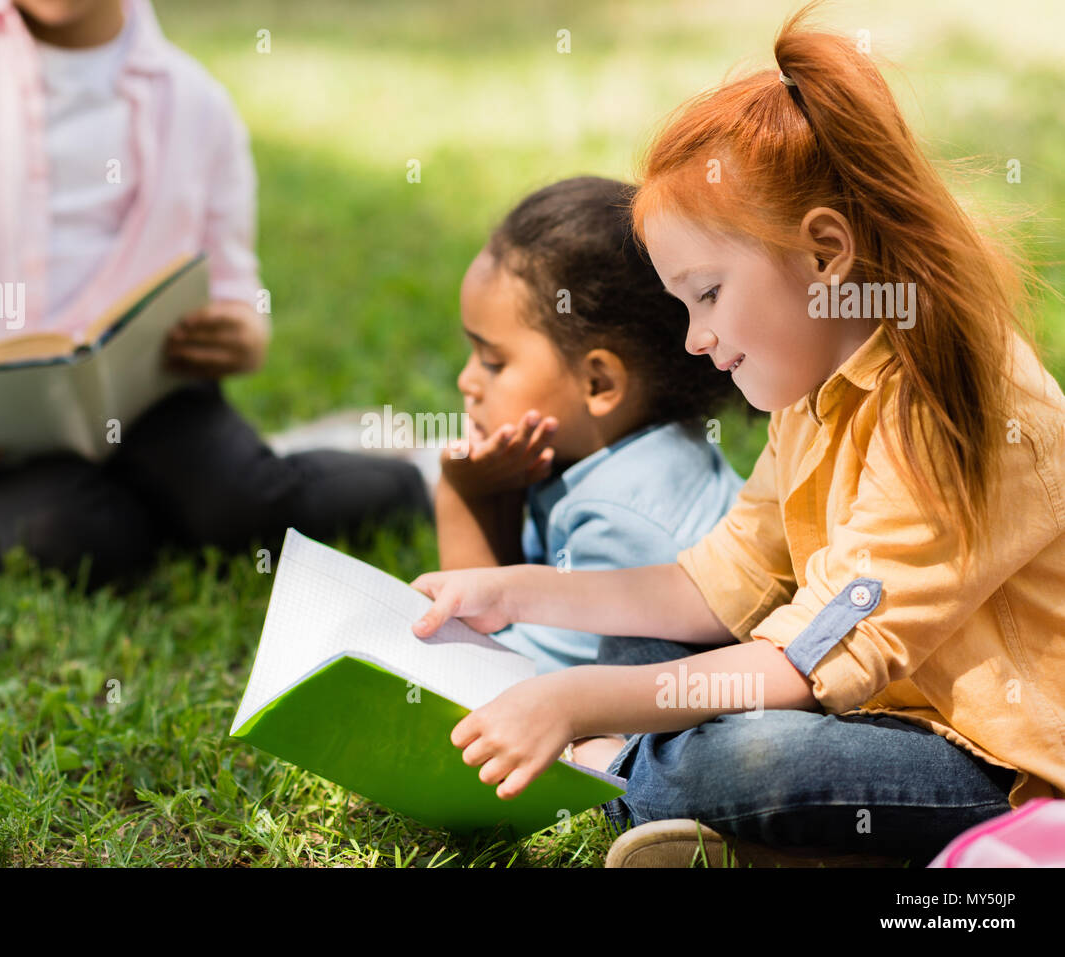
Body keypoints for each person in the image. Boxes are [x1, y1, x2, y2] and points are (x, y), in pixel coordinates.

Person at [408, 5, 1065, 865]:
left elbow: (803, 662)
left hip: (991, 763)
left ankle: (645, 783)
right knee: (649, 656)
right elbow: (716, 588)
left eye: (708, 294)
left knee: (745, 756)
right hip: (870, 706)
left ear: (825, 254)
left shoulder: (949, 401)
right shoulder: (818, 377)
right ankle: (682, 799)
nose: (694, 338)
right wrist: (517, 593)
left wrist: (578, 704)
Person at [0, 0, 429, 589]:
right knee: (79, 539)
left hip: (152, 403)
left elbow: (238, 291)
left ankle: (418, 474)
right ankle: (185, 488)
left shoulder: (198, 106)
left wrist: (243, 336)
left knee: (242, 506)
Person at [436, 176, 744, 673]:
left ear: (599, 383)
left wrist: (461, 497)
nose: (466, 380)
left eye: (493, 363)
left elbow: (489, 674)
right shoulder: (631, 449)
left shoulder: (620, 522)